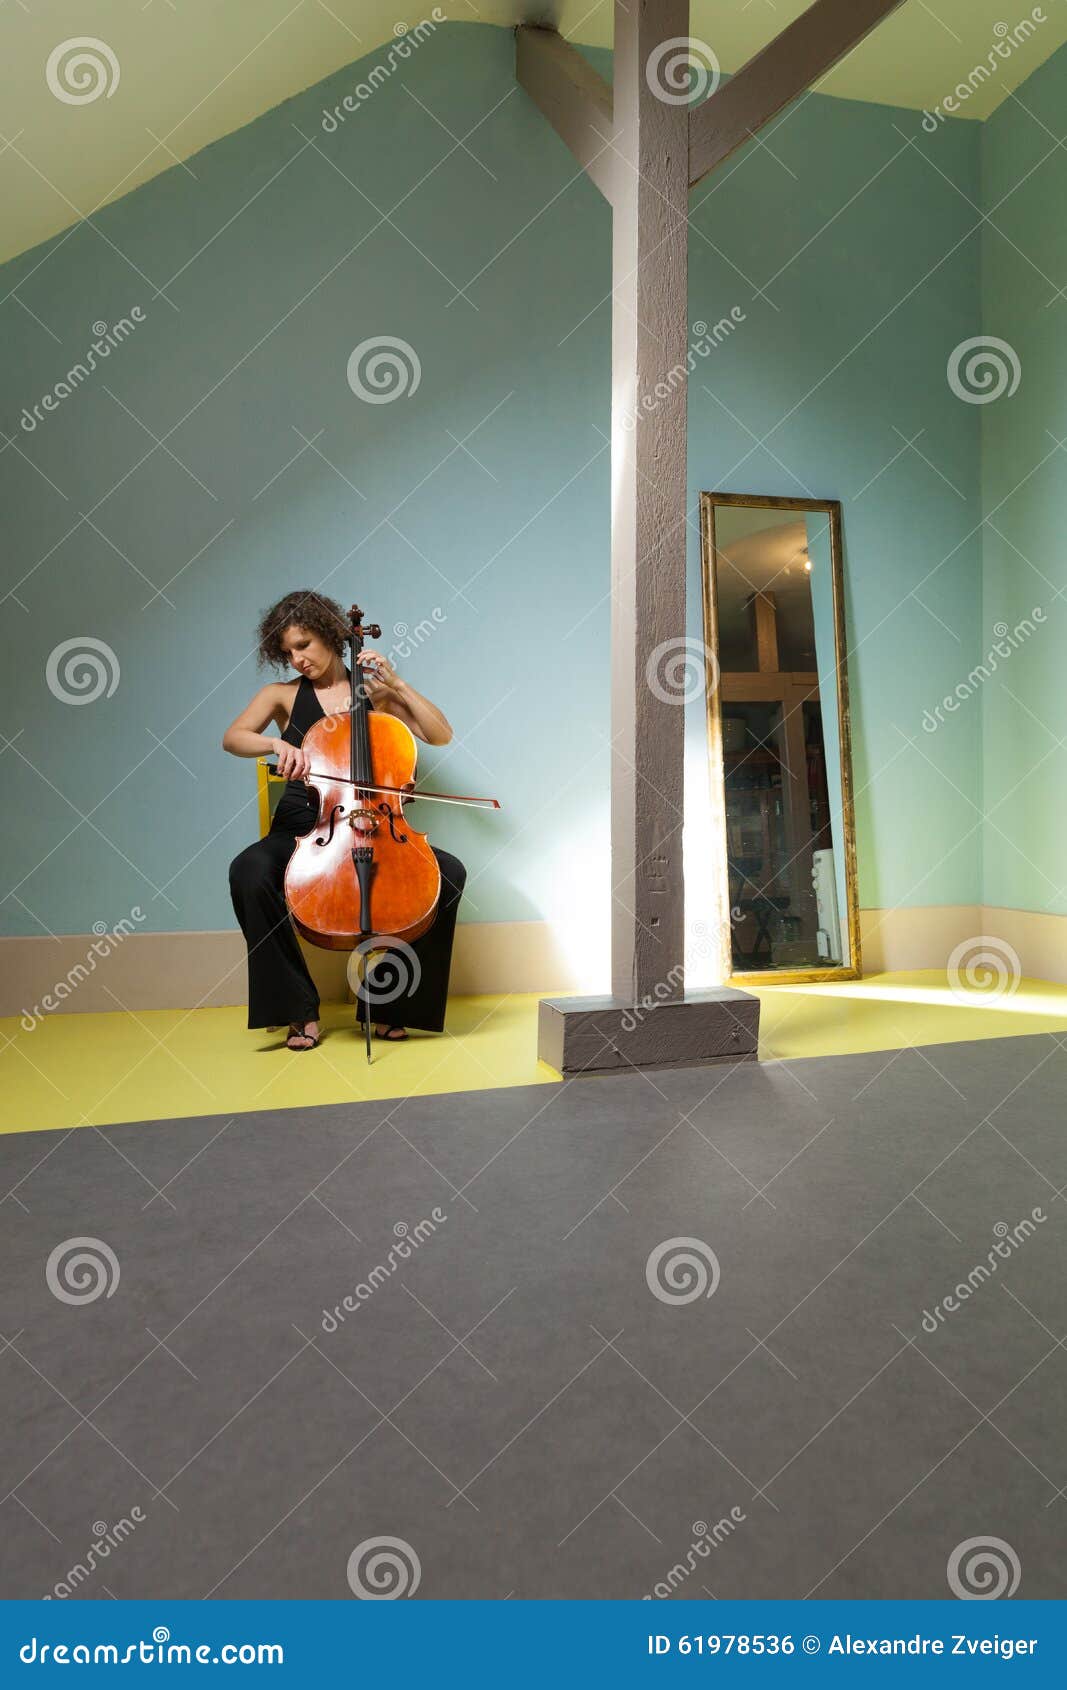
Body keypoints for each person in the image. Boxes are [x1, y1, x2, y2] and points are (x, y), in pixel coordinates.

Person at [223, 589, 466, 1050]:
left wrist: (397, 684)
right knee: (249, 870)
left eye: (305, 645)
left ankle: (391, 1003)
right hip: (304, 824)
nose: (297, 659)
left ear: (333, 636)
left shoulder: (374, 694)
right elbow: (233, 738)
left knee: (447, 875)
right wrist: (277, 746)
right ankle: (296, 1008)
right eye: (288, 651)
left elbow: (440, 734)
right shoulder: (282, 696)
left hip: (376, 824)